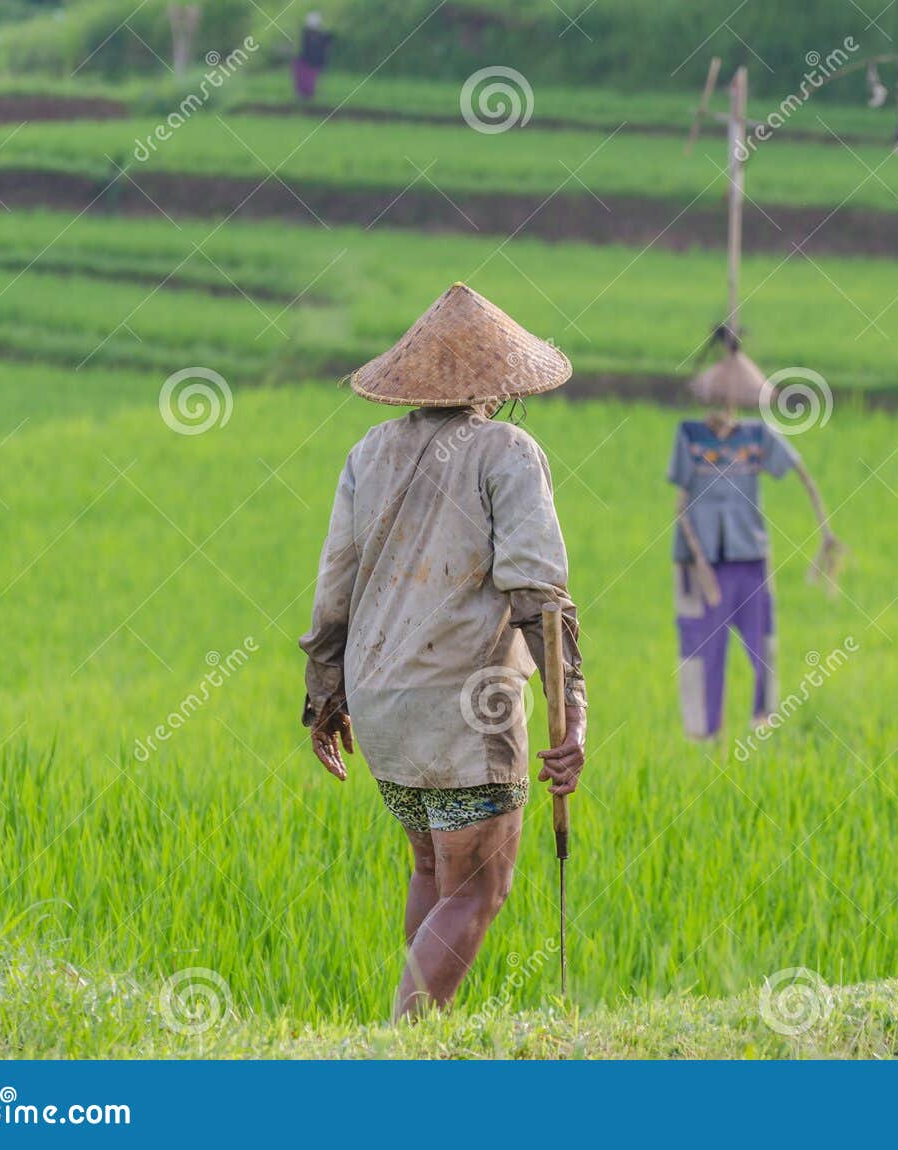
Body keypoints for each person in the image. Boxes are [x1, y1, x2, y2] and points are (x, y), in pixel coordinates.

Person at [298, 282, 587, 1020]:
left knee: (432, 869)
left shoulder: (371, 451)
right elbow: (540, 598)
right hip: (466, 707)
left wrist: (323, 693)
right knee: (480, 888)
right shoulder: (506, 450)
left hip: (380, 699)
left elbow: (335, 585)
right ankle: (402, 1045)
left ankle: (423, 1036)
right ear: (498, 381)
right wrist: (572, 716)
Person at [669, 332, 840, 741]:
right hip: (701, 565)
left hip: (749, 558)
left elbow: (802, 474)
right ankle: (705, 733)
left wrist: (825, 530)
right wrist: (702, 564)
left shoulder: (756, 437)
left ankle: (761, 717)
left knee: (762, 643)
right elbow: (680, 507)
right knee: (702, 650)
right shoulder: (691, 437)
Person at [292, 11, 333, 101]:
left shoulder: (322, 37)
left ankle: (307, 95)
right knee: (303, 77)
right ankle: (304, 95)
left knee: (308, 80)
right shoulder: (308, 35)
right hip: (307, 61)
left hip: (313, 63)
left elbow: (325, 50)